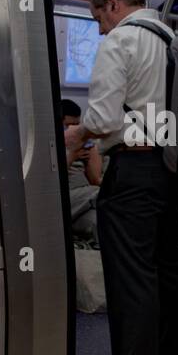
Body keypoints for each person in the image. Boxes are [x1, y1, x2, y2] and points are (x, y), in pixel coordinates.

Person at [63, 0, 178, 355]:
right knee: (164, 272)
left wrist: (75, 134)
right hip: (170, 169)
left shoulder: (122, 42)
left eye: (98, 16)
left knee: (130, 280)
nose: (99, 27)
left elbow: (99, 117)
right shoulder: (172, 39)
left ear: (113, 4)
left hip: (134, 174)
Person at [61, 99, 103, 246]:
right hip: (66, 195)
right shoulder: (49, 143)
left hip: (84, 199)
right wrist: (72, 155)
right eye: (69, 125)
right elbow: (52, 179)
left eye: (77, 125)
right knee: (102, 193)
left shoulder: (85, 143)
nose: (74, 129)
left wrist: (89, 156)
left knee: (99, 222)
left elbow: (95, 179)